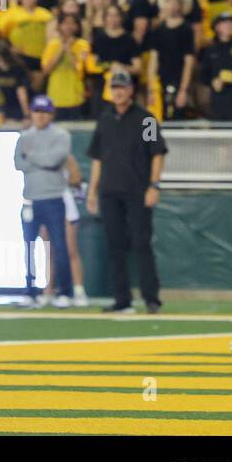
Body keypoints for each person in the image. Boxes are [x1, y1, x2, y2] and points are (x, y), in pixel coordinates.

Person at [85, 68, 167, 314]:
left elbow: (157, 153)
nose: (119, 92)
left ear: (131, 90)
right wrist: (92, 191)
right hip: (110, 191)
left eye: (122, 87)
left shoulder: (147, 119)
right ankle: (122, 299)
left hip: (137, 190)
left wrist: (154, 185)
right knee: (114, 244)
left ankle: (151, 298)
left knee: (142, 243)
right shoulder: (105, 119)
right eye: (115, 88)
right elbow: (97, 158)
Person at [14, 96, 77, 307]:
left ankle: (65, 292)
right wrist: (40, 158)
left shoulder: (61, 135)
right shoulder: (24, 137)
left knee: (59, 246)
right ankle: (30, 291)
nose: (40, 116)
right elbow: (18, 164)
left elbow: (54, 160)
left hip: (53, 197)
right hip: (30, 198)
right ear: (31, 113)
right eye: (37, 111)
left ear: (51, 114)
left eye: (45, 112)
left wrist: (32, 156)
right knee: (28, 246)